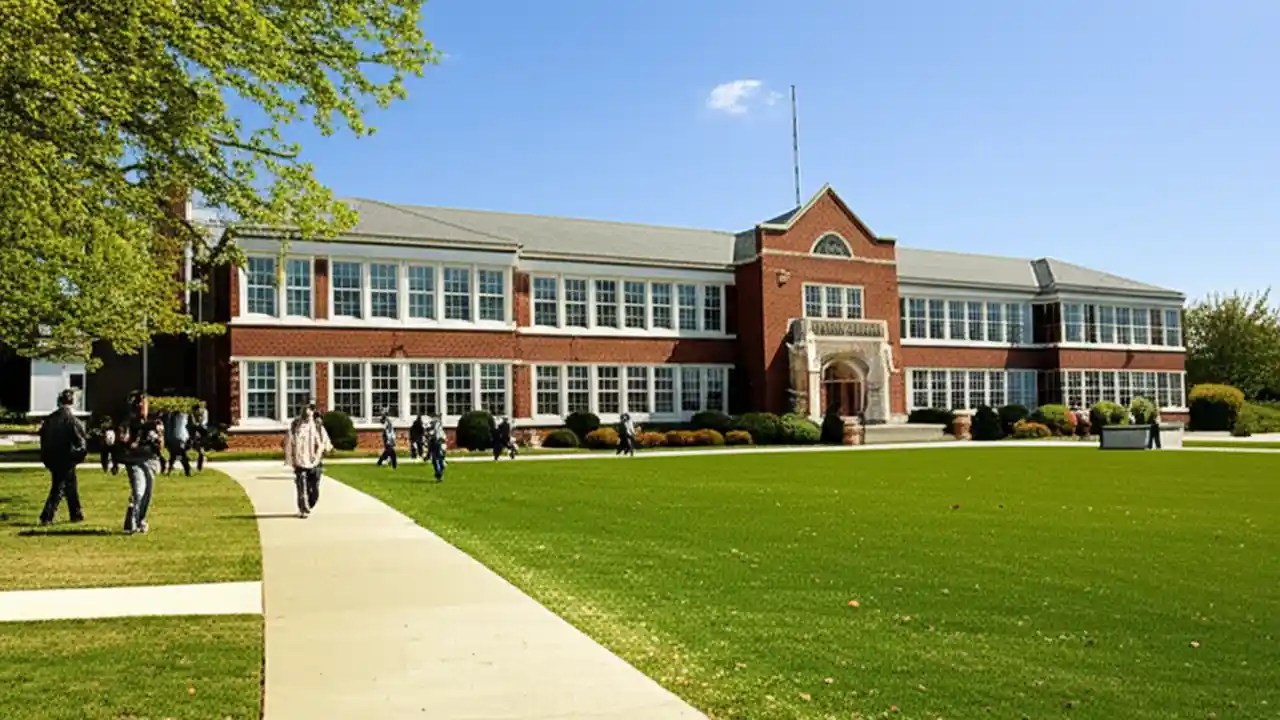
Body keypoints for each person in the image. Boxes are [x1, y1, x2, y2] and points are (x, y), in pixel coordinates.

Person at [38, 389, 88, 526]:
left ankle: (76, 513)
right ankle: (47, 515)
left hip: (52, 457)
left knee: (70, 485)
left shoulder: (50, 419)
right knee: (59, 487)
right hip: (66, 458)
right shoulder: (71, 420)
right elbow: (81, 443)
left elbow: (43, 438)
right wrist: (78, 457)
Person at [118, 392, 161, 534]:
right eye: (140, 404)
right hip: (134, 461)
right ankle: (132, 521)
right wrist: (132, 441)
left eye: (145, 404)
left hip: (150, 459)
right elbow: (124, 441)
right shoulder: (128, 422)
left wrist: (159, 437)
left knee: (148, 493)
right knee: (139, 491)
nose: (143, 408)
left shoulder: (154, 422)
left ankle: (141, 519)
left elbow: (160, 445)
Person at [283, 405, 326, 518]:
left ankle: (309, 504)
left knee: (314, 489)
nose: (307, 417)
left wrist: (317, 455)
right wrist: (290, 459)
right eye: (305, 415)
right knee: (302, 485)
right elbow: (288, 443)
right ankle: (303, 507)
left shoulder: (317, 426)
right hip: (300, 461)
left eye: (309, 415)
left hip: (314, 462)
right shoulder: (295, 426)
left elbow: (322, 443)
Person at [164, 405, 192, 476]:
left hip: (178, 438)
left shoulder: (179, 418)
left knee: (176, 455)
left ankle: (185, 470)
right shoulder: (178, 419)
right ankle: (186, 471)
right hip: (178, 438)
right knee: (179, 455)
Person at [426, 414, 447, 482]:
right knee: (436, 459)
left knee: (437, 459)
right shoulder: (434, 426)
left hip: (438, 443)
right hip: (435, 443)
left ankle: (439, 473)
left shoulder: (438, 427)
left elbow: (439, 436)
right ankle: (439, 474)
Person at [188, 401, 209, 472]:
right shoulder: (193, 413)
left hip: (202, 431)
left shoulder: (204, 411)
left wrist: (199, 424)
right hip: (197, 431)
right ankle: (199, 465)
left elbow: (205, 421)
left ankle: (199, 465)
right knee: (198, 448)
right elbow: (193, 422)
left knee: (200, 449)